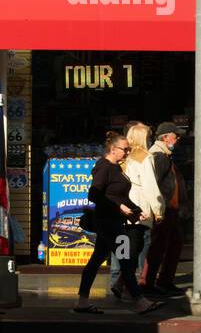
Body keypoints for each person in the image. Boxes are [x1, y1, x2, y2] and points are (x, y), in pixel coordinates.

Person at [75, 132, 164, 315]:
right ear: (113, 149)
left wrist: (137, 211)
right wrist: (119, 207)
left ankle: (82, 301)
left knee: (97, 260)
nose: (128, 152)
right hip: (108, 224)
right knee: (125, 260)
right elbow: (94, 194)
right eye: (125, 149)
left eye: (129, 149)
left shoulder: (116, 168)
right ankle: (139, 301)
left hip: (113, 222)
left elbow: (120, 196)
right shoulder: (104, 167)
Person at [110, 122, 163, 299]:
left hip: (120, 208)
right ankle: (126, 285)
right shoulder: (144, 157)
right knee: (135, 247)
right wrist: (158, 209)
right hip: (138, 209)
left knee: (124, 247)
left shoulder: (122, 157)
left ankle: (119, 281)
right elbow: (150, 186)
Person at [143, 121, 186, 295]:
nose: (178, 140)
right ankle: (148, 283)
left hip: (170, 209)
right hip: (164, 210)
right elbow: (155, 185)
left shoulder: (164, 155)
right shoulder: (159, 156)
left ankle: (162, 281)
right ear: (166, 137)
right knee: (159, 246)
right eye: (176, 136)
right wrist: (159, 209)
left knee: (173, 243)